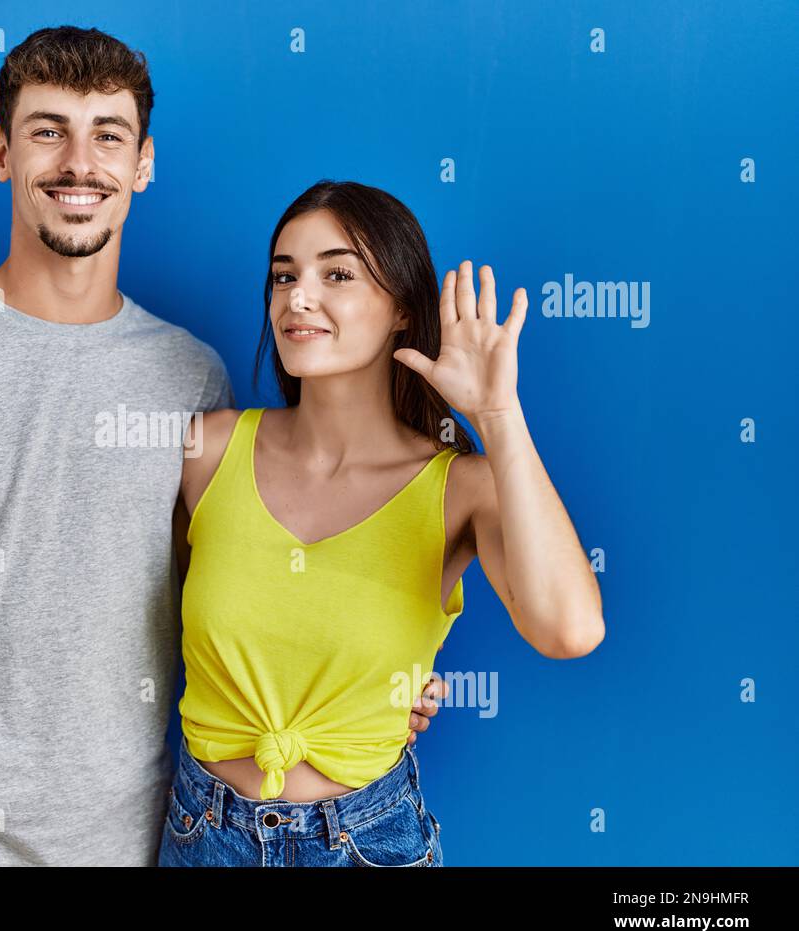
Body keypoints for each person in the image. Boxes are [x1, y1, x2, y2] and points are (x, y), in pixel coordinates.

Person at [0, 27, 451, 866]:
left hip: (153, 841)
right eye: (47, 130)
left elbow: (234, 602)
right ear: (3, 152)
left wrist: (371, 679)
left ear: (142, 164)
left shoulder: (193, 378)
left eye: (107, 134)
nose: (79, 162)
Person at [158, 181, 605, 867]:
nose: (297, 297)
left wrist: (499, 418)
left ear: (401, 309)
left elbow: (569, 630)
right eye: (284, 276)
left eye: (337, 273)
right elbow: (167, 620)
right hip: (202, 833)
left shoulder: (461, 486)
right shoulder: (207, 449)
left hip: (365, 842)